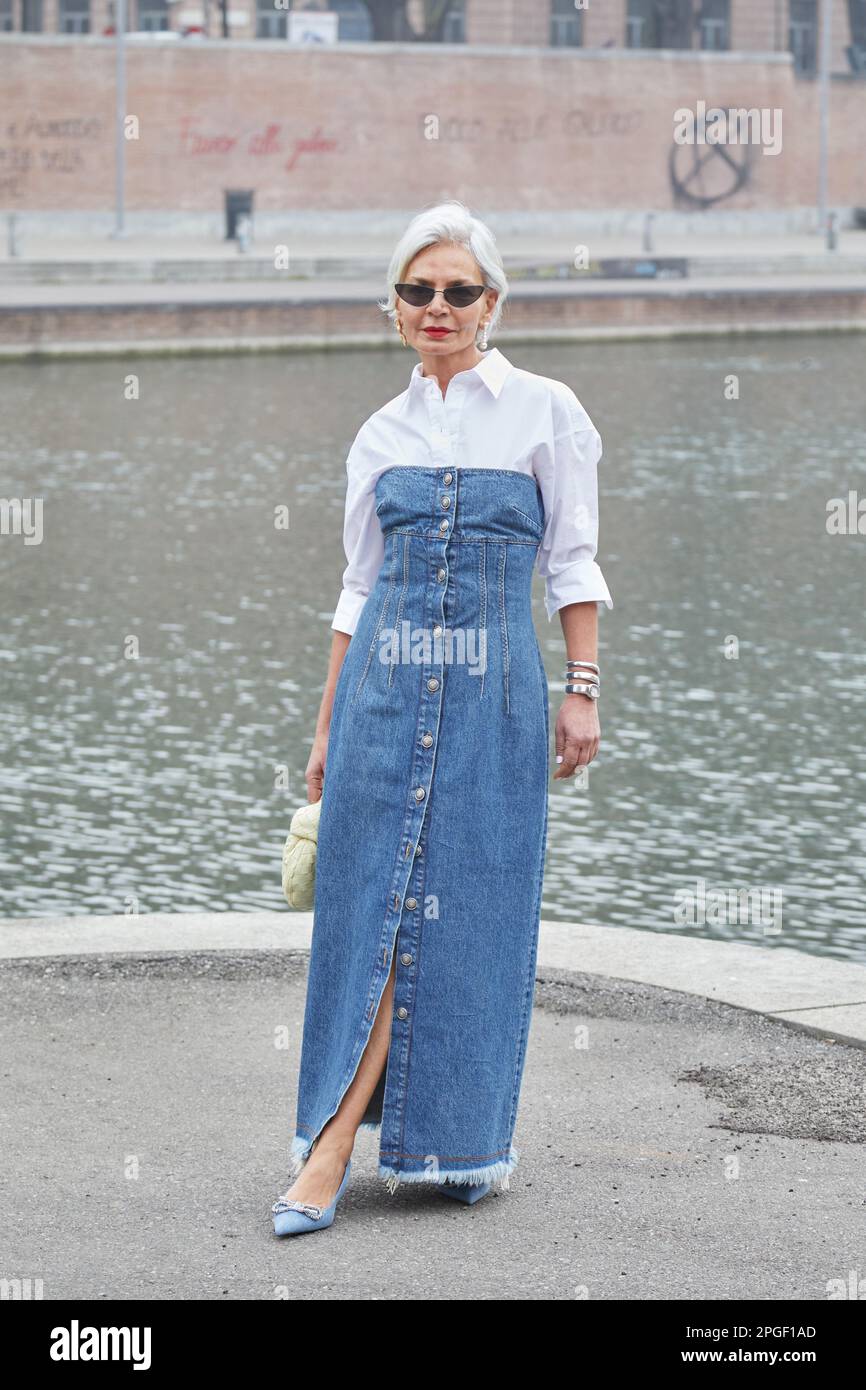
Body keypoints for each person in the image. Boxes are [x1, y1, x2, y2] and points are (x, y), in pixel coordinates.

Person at [271, 200, 612, 1237]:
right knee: (370, 905)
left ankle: (453, 1140)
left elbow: (571, 564)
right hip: (382, 690)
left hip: (496, 700)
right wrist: (328, 728)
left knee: (472, 907)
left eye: (457, 289)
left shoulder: (548, 411)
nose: (437, 306)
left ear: (491, 301)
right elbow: (353, 591)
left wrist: (583, 689)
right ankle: (330, 1149)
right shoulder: (379, 433)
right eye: (417, 290)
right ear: (393, 305)